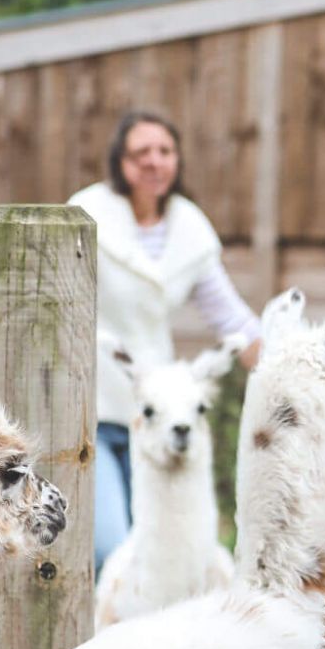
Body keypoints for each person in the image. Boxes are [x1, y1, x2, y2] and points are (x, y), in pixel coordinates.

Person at [71, 109, 263, 576]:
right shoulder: (86, 214)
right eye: (141, 153)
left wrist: (281, 369)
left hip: (155, 409)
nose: (154, 162)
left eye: (165, 151)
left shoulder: (189, 231)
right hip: (88, 406)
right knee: (109, 549)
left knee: (157, 551)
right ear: (120, 161)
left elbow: (230, 317)